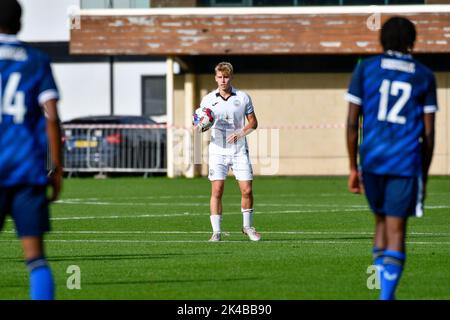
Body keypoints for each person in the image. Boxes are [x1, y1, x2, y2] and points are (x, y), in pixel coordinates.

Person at [345, 16, 437, 300]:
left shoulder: (366, 70)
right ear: (412, 41)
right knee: (397, 228)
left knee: (381, 223)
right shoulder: (423, 75)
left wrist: (352, 167)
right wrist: (424, 170)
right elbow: (429, 132)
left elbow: (351, 123)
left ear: (381, 40)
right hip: (404, 161)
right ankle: (386, 297)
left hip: (372, 159)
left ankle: (385, 294)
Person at [0, 0, 63, 300]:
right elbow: (51, 115)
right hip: (27, 169)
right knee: (36, 258)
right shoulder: (35, 59)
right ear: (20, 23)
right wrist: (56, 168)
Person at [196, 62, 260, 242]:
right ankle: (216, 232)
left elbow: (253, 123)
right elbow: (200, 124)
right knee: (217, 190)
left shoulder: (243, 97)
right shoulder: (208, 99)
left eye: (226, 77)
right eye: (219, 77)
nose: (223, 80)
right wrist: (200, 125)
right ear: (215, 77)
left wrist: (241, 132)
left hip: (239, 150)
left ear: (231, 77)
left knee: (246, 190)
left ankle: (247, 227)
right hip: (217, 151)